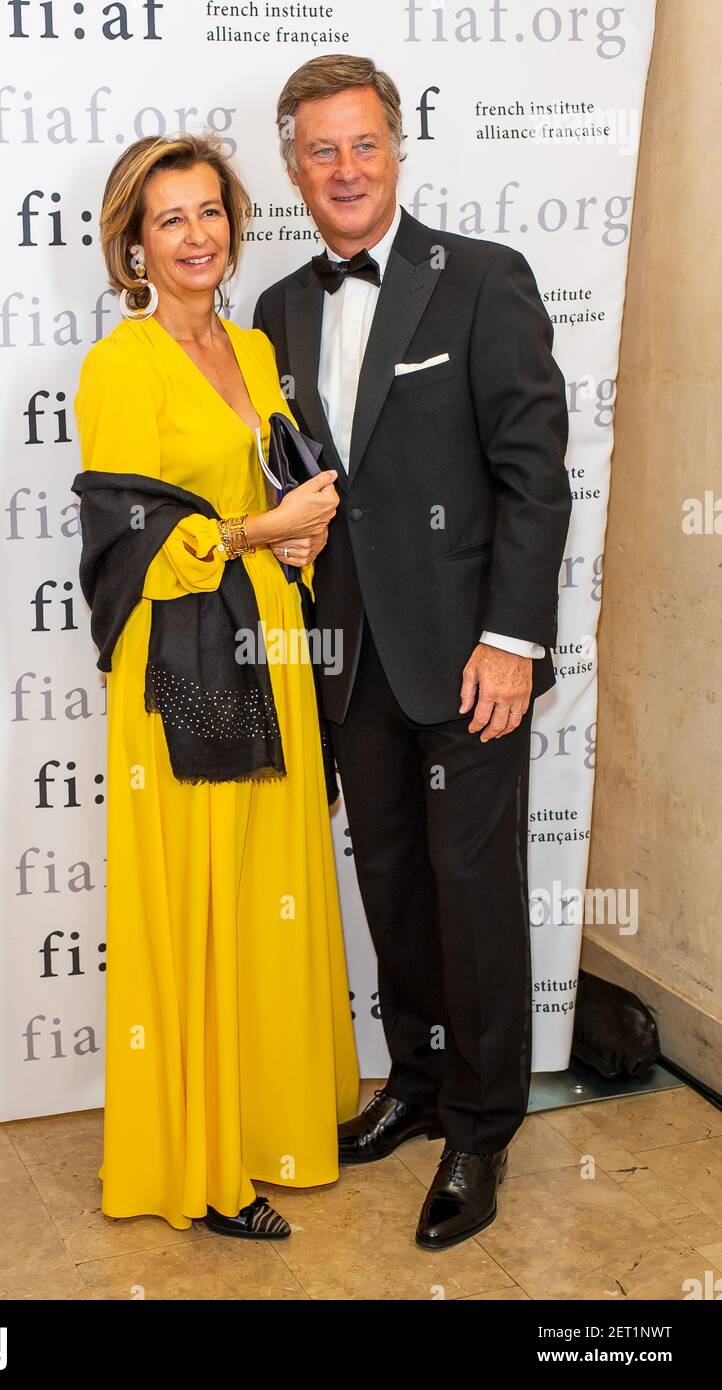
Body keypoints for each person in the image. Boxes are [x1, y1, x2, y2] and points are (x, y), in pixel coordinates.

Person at [253, 54, 572, 1251]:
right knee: (388, 883)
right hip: (346, 660)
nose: (343, 168)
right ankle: (419, 1084)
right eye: (319, 150)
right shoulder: (278, 309)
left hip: (468, 656)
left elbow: (533, 477)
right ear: (294, 167)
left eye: (363, 144)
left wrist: (509, 640)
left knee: (474, 895)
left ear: (397, 149)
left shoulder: (483, 280)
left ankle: (482, 1131)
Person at [72, 132, 360, 1238]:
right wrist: (255, 530)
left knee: (265, 884)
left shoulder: (251, 346)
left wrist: (297, 541)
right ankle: (201, 1167)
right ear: (134, 246)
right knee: (196, 896)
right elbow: (130, 540)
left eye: (209, 213)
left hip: (270, 646)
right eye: (169, 220)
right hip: (181, 664)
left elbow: (276, 490)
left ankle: (270, 1123)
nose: (196, 236)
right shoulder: (121, 363)